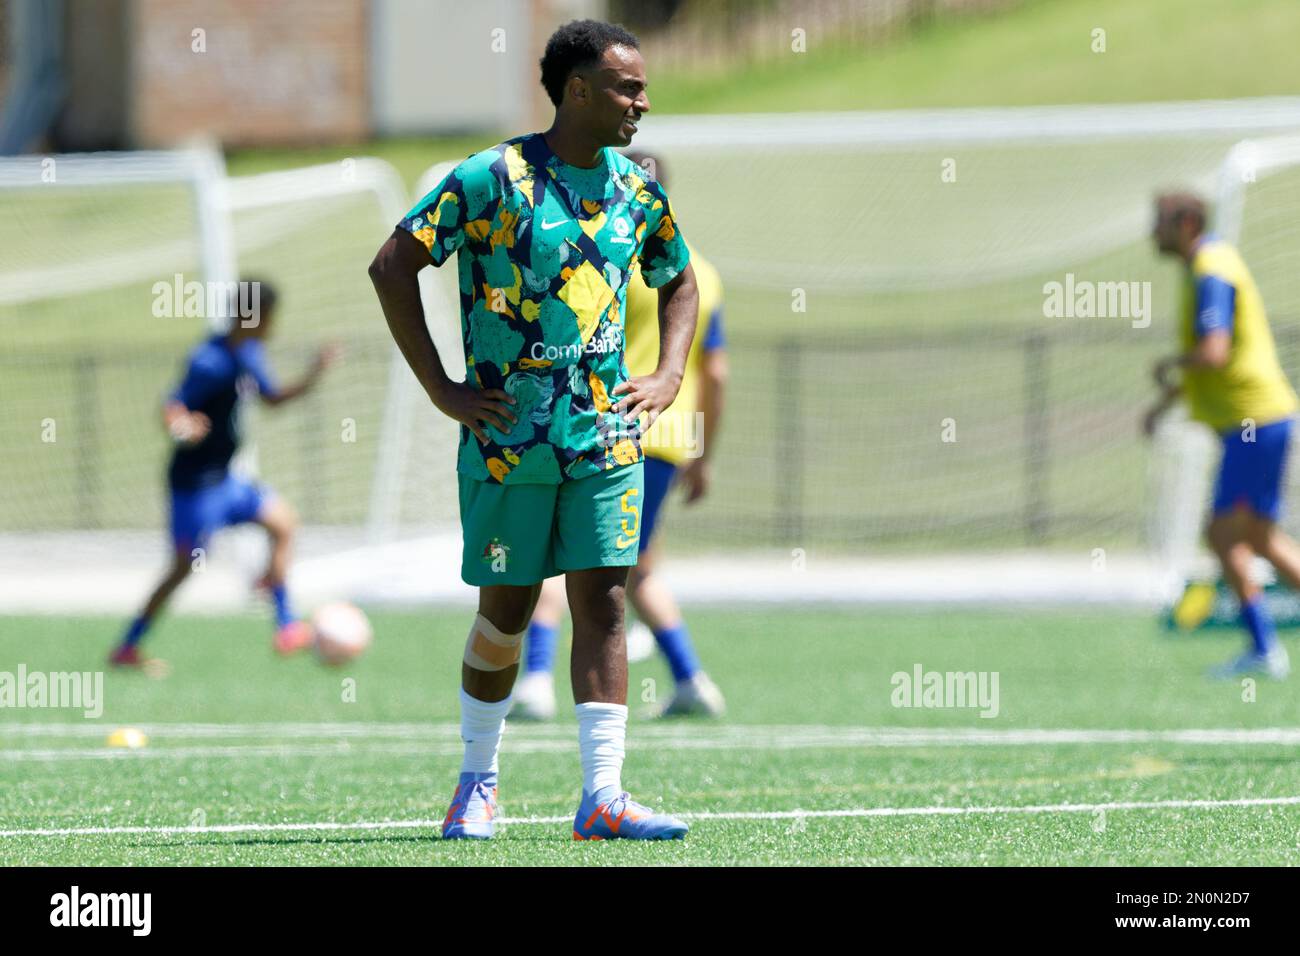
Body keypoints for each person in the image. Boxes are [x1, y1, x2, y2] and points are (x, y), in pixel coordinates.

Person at [368, 20, 700, 840]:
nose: (643, 102)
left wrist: (666, 378)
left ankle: (604, 797)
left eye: (643, 87)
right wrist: (443, 387)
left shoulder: (638, 189)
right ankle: (477, 784)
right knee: (507, 613)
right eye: (627, 87)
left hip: (605, 443)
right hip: (509, 443)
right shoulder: (491, 178)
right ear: (578, 89)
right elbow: (392, 265)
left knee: (607, 603)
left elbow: (681, 282)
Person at [513, 149, 728, 721]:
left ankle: (536, 678)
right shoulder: (699, 271)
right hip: (671, 438)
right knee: (636, 567)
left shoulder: (610, 259)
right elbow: (717, 373)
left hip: (607, 427)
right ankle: (689, 679)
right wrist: (702, 455)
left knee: (566, 559)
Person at [109, 280, 339, 673]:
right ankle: (127, 647)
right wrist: (181, 426)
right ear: (253, 316)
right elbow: (172, 406)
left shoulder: (248, 352)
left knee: (283, 524)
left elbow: (271, 399)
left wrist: (312, 376)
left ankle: (286, 625)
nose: (273, 325)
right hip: (195, 487)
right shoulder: (208, 360)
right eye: (270, 317)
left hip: (227, 481)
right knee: (183, 568)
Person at [1145, 192, 1298, 679]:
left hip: (1252, 422)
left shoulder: (1211, 267)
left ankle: (1263, 649)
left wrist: (1170, 366)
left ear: (1186, 223)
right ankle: (1263, 650)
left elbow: (1213, 352)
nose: (1154, 233)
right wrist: (1166, 402)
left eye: (1162, 223)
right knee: (1258, 538)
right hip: (1260, 419)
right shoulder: (1207, 264)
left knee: (1222, 533)